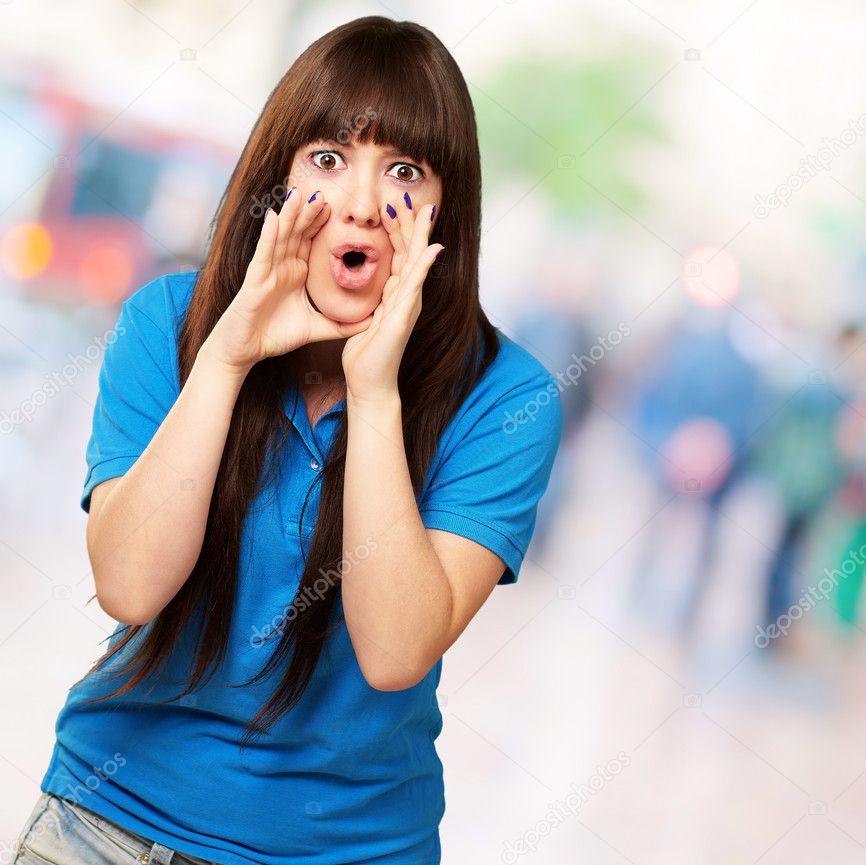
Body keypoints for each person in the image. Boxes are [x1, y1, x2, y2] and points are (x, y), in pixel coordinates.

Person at [12, 16, 562, 865]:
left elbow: (394, 649)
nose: (362, 205)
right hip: (107, 826)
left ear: (446, 206)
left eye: (405, 171)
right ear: (277, 179)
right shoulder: (169, 322)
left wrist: (374, 392)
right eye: (328, 158)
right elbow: (129, 584)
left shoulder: (506, 397)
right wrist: (227, 357)